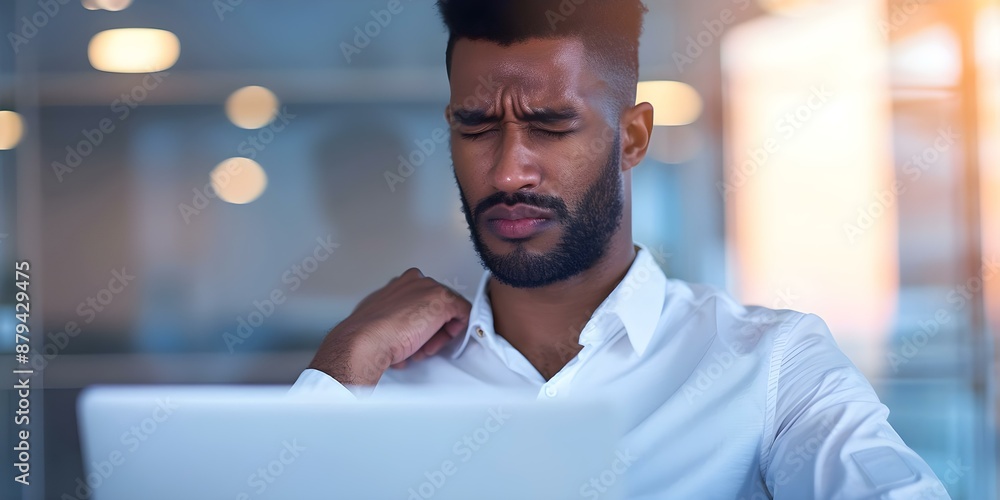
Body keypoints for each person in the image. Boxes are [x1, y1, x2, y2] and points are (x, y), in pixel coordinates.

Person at [293, 0, 949, 497]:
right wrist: (338, 369)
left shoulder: (770, 366)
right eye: (477, 127)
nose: (508, 172)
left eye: (551, 126)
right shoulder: (373, 383)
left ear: (632, 138)